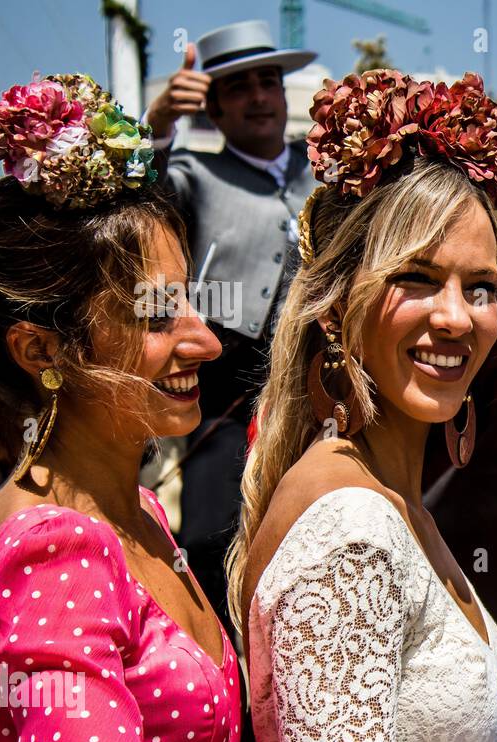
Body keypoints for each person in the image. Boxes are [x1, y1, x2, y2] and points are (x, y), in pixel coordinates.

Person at [228, 69, 497, 742]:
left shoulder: (399, 503)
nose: (457, 317)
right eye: (417, 280)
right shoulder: (351, 528)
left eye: (481, 287)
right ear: (337, 307)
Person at [0, 74, 250, 742]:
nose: (204, 342)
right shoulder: (55, 554)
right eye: (156, 316)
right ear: (42, 352)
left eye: (191, 303)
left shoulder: (138, 510)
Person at [144, 20, 319, 642]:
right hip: (224, 386)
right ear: (214, 109)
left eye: (268, 81)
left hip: (318, 382)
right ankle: (217, 660)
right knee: (210, 533)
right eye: (238, 87)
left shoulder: (323, 171)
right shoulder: (194, 172)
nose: (258, 97)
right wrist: (159, 126)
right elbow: (139, 194)